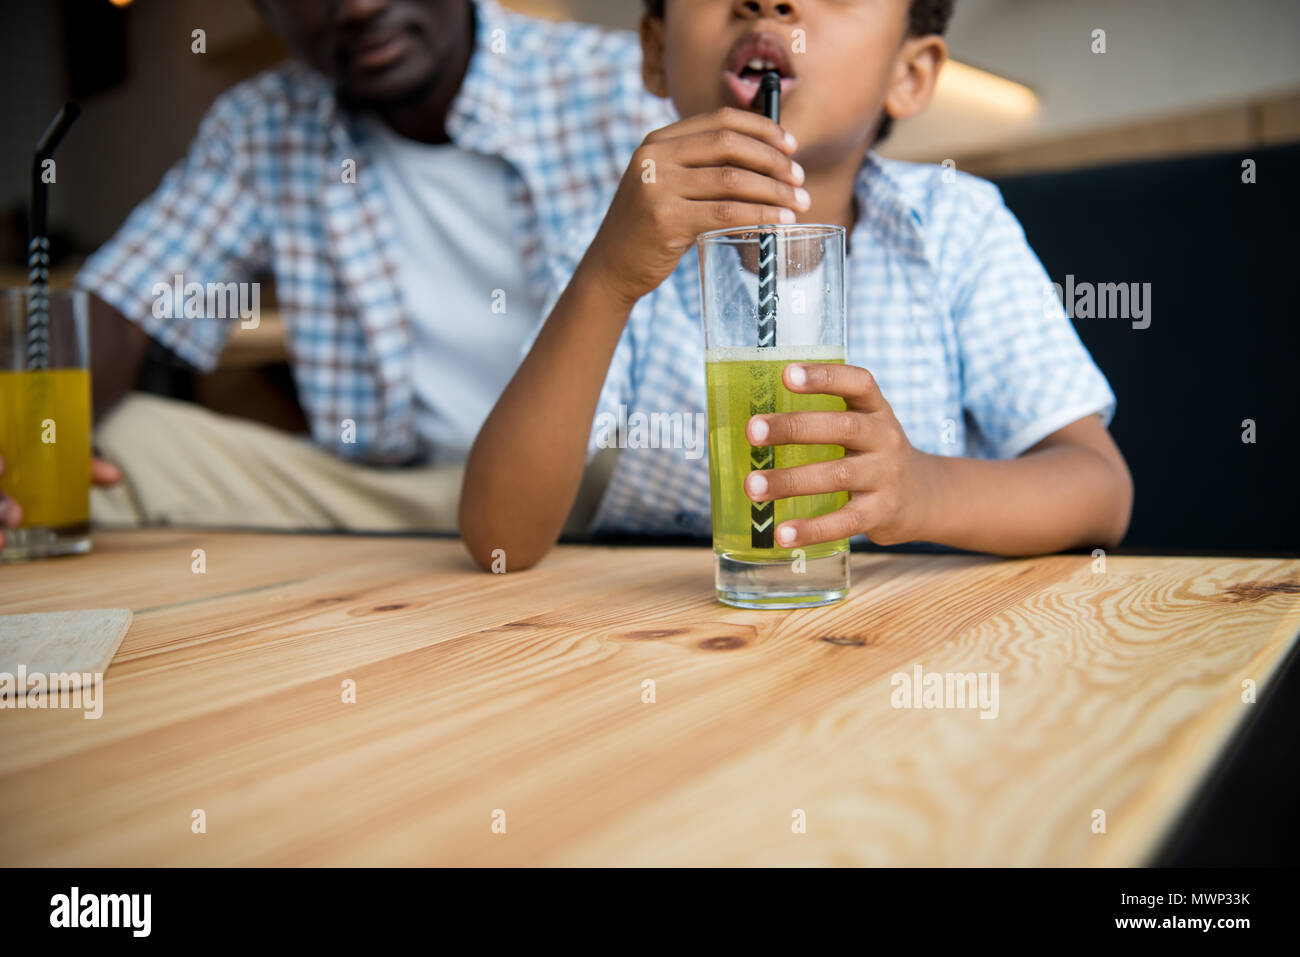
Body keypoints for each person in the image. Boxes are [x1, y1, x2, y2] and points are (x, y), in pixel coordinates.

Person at [460, 0, 1134, 570]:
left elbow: (1100, 490)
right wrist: (606, 281)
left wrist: (922, 489)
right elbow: (498, 539)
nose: (768, 2)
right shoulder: (613, 242)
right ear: (656, 51)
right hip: (673, 646)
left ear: (910, 72)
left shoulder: (956, 228)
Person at [0, 0, 672, 552]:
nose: (357, 6)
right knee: (116, 443)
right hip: (386, 496)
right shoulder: (261, 125)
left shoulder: (621, 84)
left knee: (641, 441)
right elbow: (122, 300)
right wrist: (22, 442)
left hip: (589, 478)